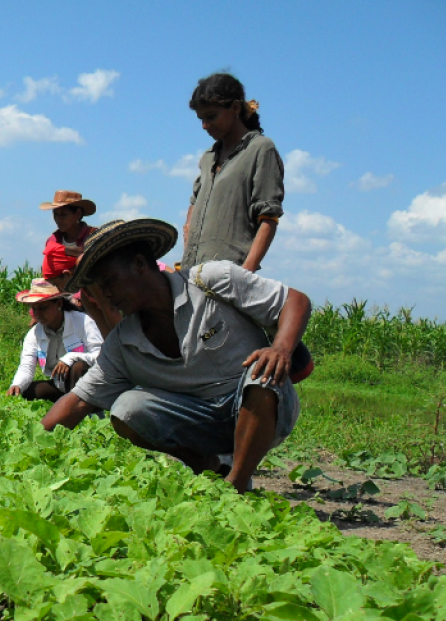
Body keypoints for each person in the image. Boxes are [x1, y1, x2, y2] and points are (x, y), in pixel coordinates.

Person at [40, 219, 311, 493]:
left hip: (267, 407)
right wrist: (33, 445)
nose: (107, 295)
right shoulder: (124, 342)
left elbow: (295, 301)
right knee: (126, 409)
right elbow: (77, 403)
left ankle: (237, 485)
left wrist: (280, 349)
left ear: (139, 264)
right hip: (202, 424)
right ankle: (210, 466)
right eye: (100, 288)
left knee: (260, 372)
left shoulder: (211, 281)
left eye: (110, 282)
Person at [180, 72, 313, 382]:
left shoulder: (260, 149)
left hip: (231, 270)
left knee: (233, 351)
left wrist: (247, 270)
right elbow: (194, 201)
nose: (205, 126)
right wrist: (187, 245)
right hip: (195, 272)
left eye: (211, 117)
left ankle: (286, 371)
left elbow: (268, 218)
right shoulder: (208, 158)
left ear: (235, 109)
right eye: (200, 119)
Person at [39, 190, 123, 337]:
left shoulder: (94, 236)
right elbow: (49, 275)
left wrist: (77, 296)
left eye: (63, 215)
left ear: (77, 214)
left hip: (97, 294)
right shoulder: (53, 241)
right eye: (56, 215)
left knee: (105, 322)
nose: (59, 219)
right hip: (64, 298)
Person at [7, 278, 103, 402]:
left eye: (43, 308)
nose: (38, 314)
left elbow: (101, 355)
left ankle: (82, 411)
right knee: (27, 391)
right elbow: (26, 366)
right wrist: (17, 385)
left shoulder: (83, 322)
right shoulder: (34, 334)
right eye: (34, 309)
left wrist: (71, 357)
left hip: (89, 386)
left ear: (59, 304)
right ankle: (64, 404)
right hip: (60, 384)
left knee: (78, 367)